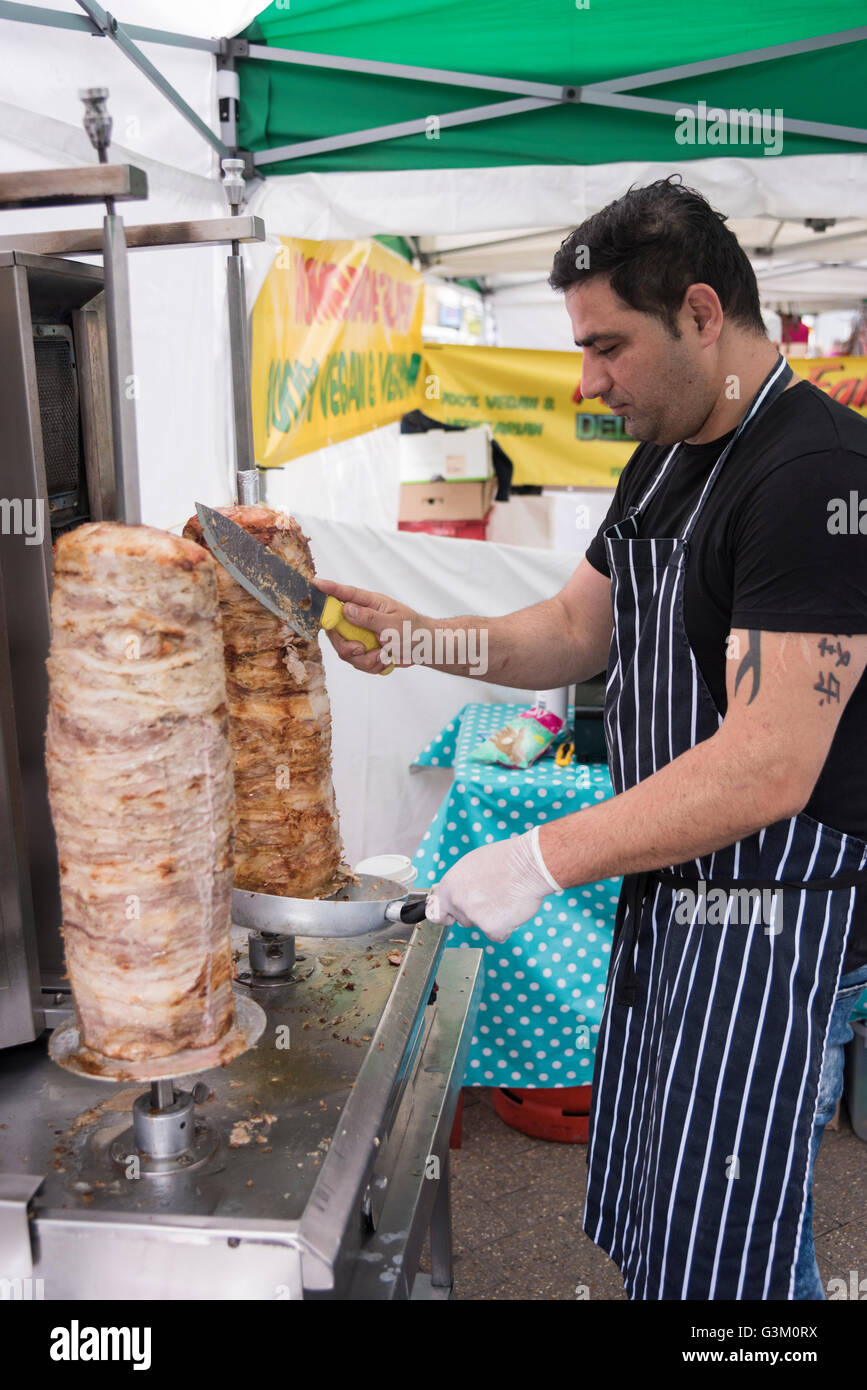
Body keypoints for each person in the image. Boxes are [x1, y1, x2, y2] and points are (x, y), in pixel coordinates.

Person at [317, 176, 867, 1301]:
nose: (588, 382)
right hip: (676, 906)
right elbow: (576, 626)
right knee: (683, 1230)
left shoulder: (814, 477)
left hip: (775, 928)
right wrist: (424, 638)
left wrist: (537, 859)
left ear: (704, 314)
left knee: (727, 1262)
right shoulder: (664, 453)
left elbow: (771, 760)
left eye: (609, 346)